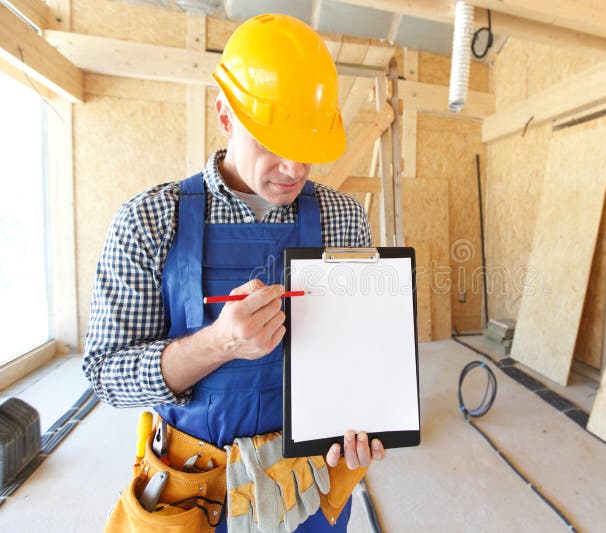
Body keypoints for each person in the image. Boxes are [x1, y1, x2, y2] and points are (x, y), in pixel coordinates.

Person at [83, 13, 385, 532]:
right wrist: (217, 344)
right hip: (193, 489)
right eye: (272, 143)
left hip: (308, 483)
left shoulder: (344, 218)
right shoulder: (149, 220)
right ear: (225, 116)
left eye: (308, 146)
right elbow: (106, 376)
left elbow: (359, 353)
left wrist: (366, 416)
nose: (294, 169)